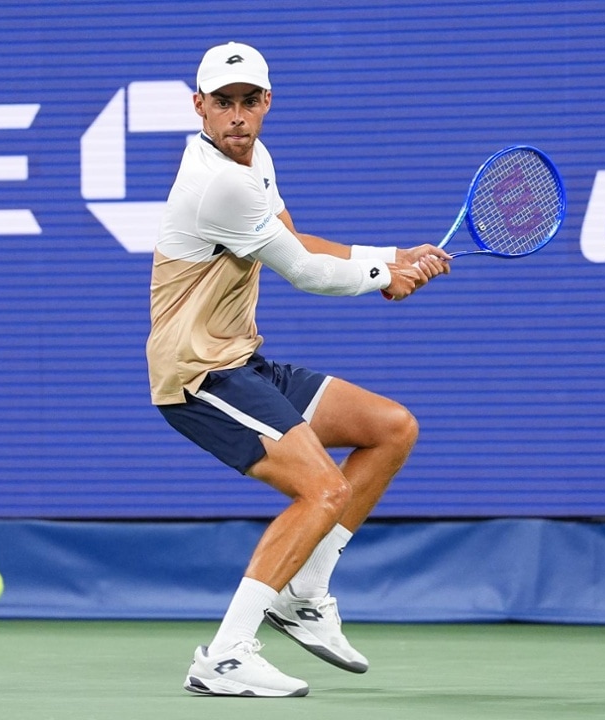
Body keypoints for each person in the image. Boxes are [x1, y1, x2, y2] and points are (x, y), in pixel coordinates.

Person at [147, 41, 451, 698]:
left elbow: (294, 238)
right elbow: (306, 272)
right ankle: (224, 656)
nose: (235, 115)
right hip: (196, 376)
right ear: (198, 106)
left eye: (247, 101)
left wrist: (394, 254)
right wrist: (384, 279)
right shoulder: (217, 181)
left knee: (391, 429)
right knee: (322, 490)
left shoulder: (253, 159)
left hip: (239, 358)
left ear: (266, 104)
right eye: (221, 102)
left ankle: (305, 594)